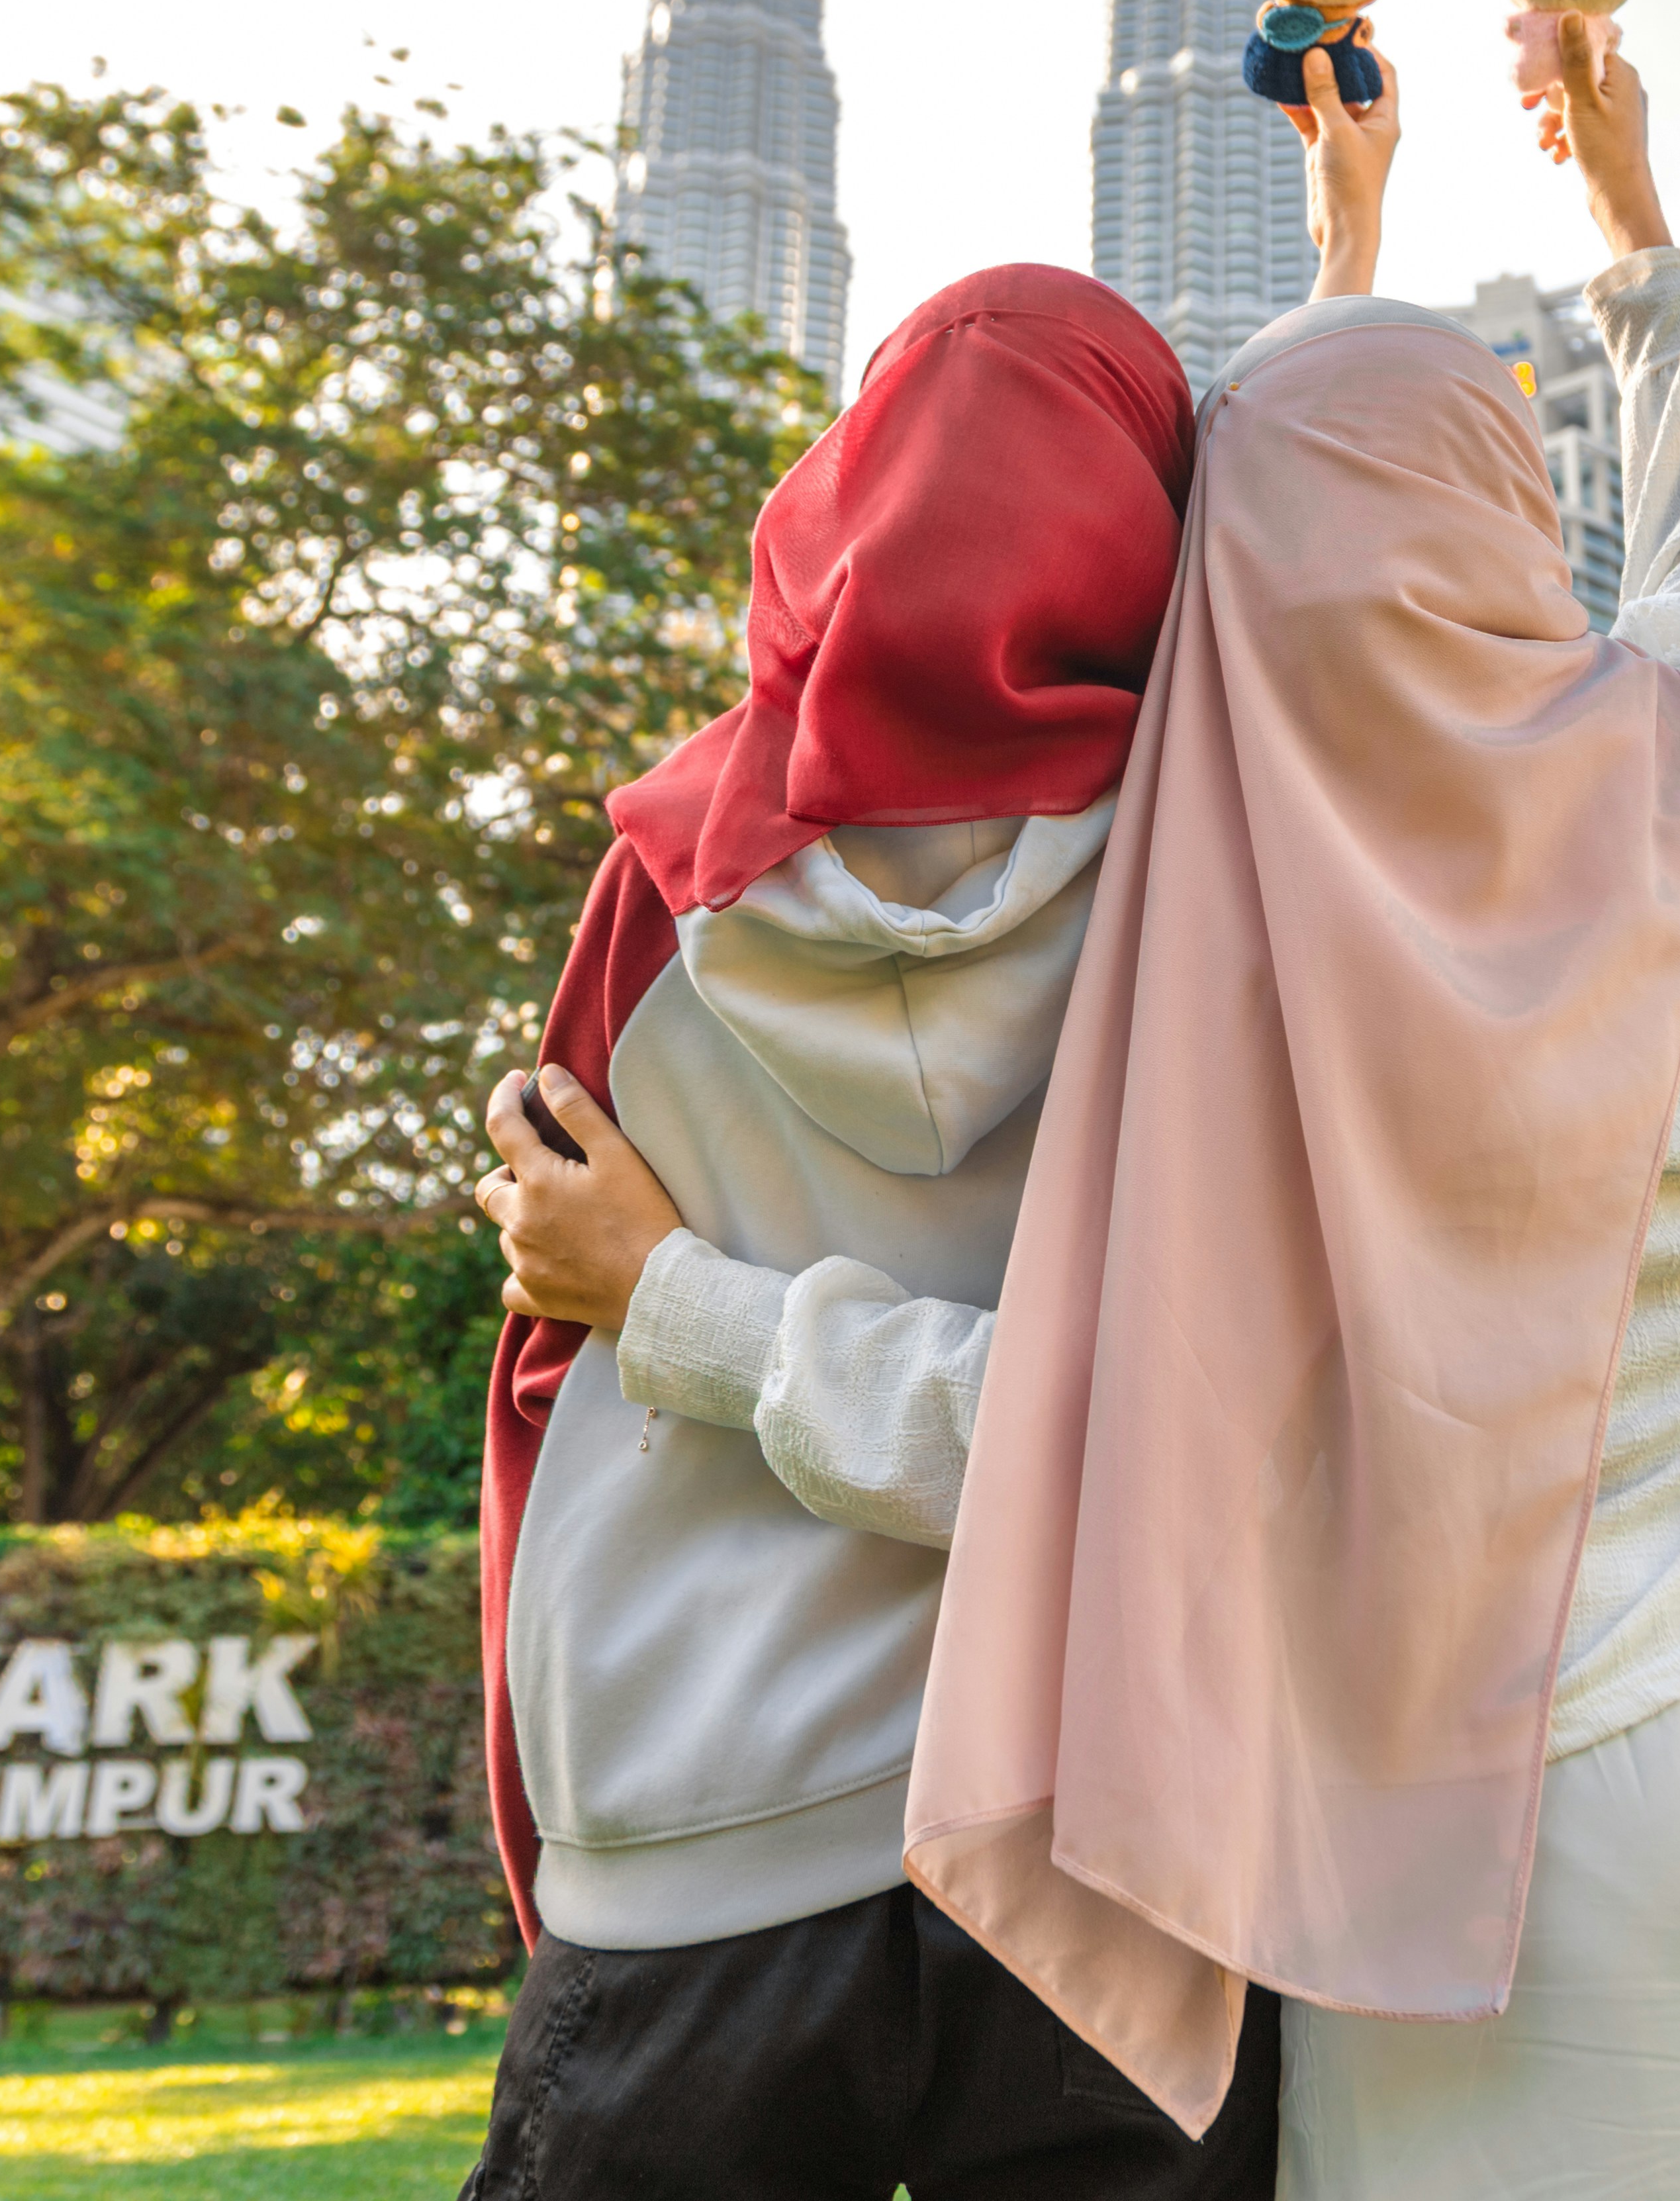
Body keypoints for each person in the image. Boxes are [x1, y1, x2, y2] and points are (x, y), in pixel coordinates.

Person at [905, 16, 1680, 2197]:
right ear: (1515, 521)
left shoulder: (1252, 1012)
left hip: (1499, 1855)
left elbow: (1067, 1443)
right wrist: (1629, 234)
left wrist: (672, 1305)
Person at [455, 261, 1282, 2201]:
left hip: (697, 1806)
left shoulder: (664, 894)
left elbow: (554, 1326)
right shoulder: (1226, 912)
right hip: (1108, 1839)